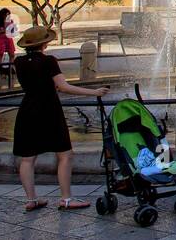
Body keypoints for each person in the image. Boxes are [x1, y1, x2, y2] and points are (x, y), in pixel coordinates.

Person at [12, 25, 107, 212]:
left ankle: (31, 199)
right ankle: (66, 198)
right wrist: (94, 92)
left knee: (27, 159)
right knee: (65, 155)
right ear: (44, 43)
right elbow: (63, 86)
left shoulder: (18, 61)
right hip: (48, 110)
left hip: (27, 109)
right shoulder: (49, 61)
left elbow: (32, 82)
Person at [0, 8, 19, 82]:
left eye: (9, 14)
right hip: (1, 38)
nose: (8, 16)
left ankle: (10, 68)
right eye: (6, 14)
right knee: (0, 54)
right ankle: (0, 70)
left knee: (12, 54)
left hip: (9, 38)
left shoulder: (10, 21)